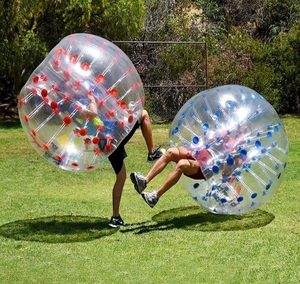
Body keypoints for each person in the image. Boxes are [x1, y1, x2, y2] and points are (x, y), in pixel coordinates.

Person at [130, 146, 212, 208]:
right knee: (170, 152)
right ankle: (143, 182)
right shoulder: (219, 128)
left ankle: (155, 197)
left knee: (182, 164)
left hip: (208, 165)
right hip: (199, 151)